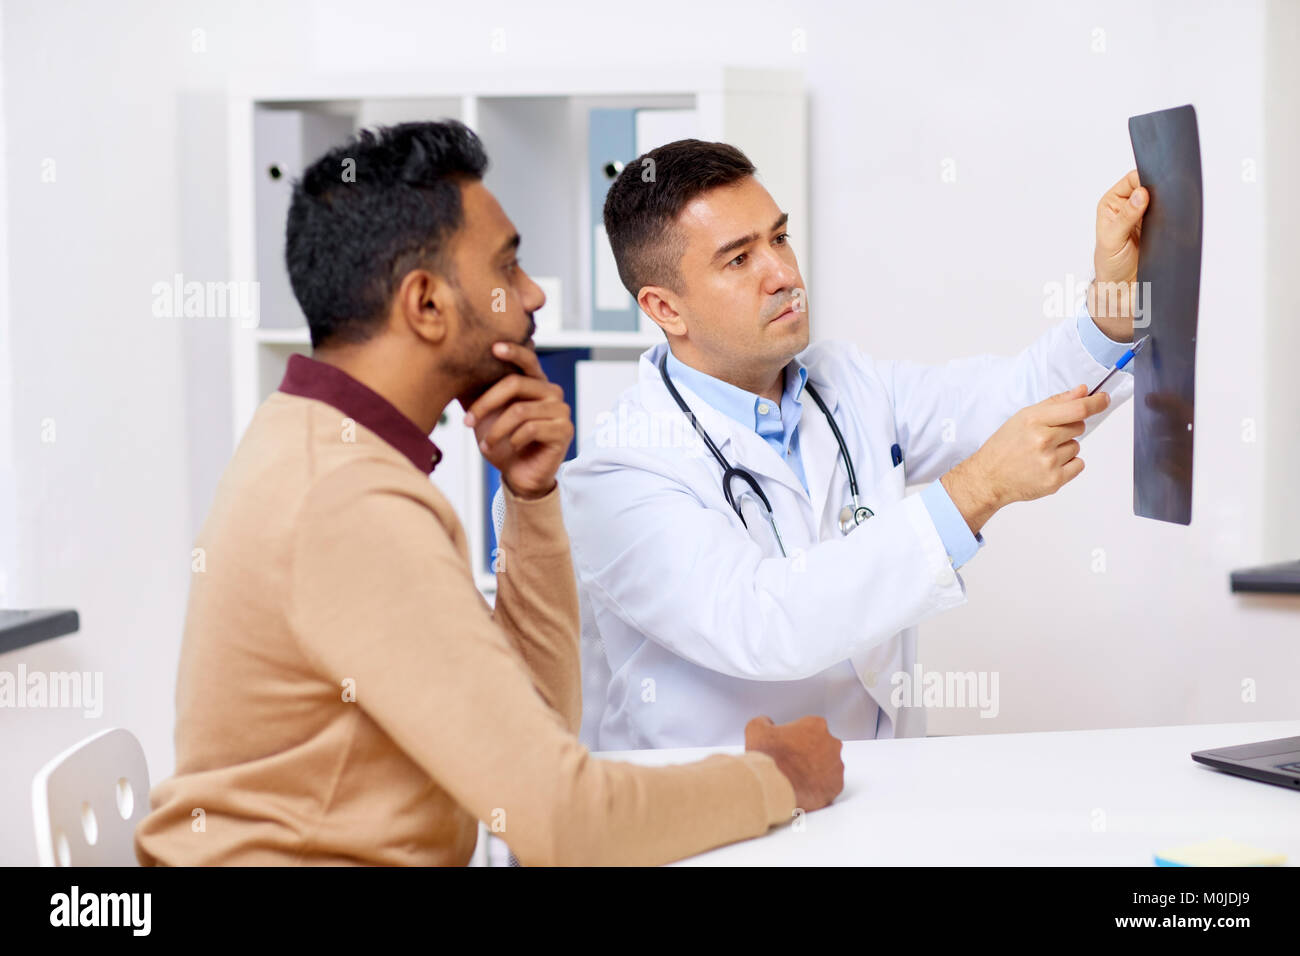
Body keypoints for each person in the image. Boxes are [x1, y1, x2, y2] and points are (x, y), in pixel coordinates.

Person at [133, 121, 843, 867]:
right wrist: (776, 780)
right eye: (508, 265)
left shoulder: (324, 445)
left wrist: (532, 499)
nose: (533, 293)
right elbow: (566, 824)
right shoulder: (345, 500)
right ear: (427, 305)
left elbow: (539, 731)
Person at [561, 138, 1148, 750]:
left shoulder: (846, 384)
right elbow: (763, 624)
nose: (783, 275)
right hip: (715, 831)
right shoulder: (620, 473)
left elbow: (1013, 397)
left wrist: (1111, 299)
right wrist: (976, 491)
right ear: (664, 308)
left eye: (779, 238)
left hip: (875, 798)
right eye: (738, 260)